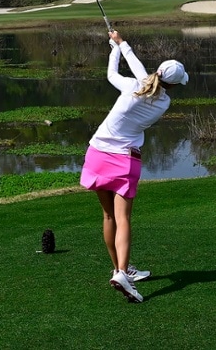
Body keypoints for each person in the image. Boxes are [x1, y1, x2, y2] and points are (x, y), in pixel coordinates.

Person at [80, 30, 188, 303]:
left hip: (96, 152)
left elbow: (113, 75)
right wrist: (120, 44)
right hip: (123, 159)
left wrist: (117, 46)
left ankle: (121, 269)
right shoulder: (163, 102)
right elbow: (140, 74)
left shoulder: (133, 86)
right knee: (123, 219)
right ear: (173, 85)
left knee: (108, 218)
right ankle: (122, 275)